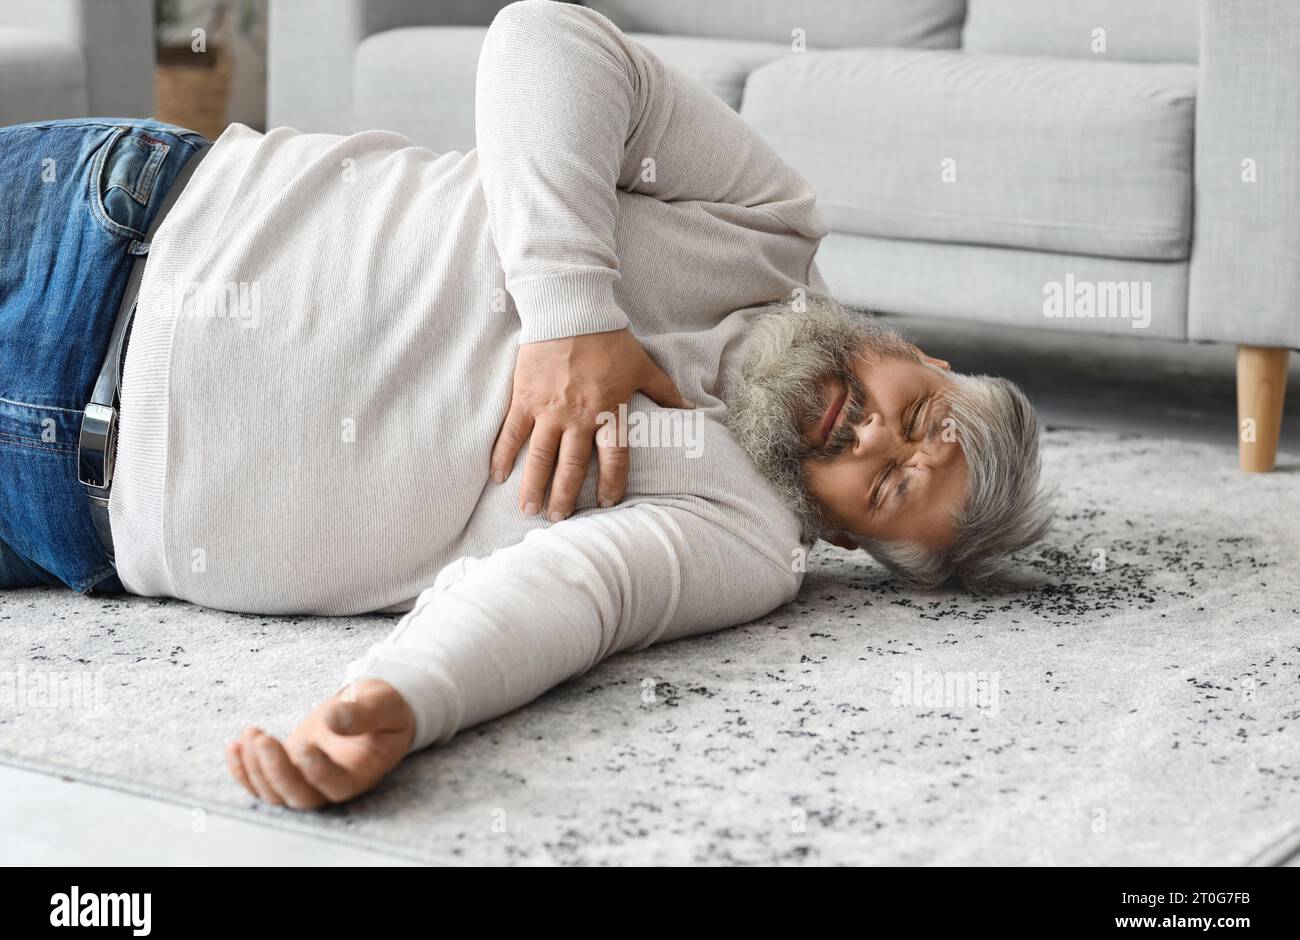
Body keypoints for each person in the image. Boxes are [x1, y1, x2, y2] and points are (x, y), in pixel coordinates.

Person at [0, 1, 1053, 809]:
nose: (864, 434)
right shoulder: (765, 222)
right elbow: (544, 41)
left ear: (840, 531)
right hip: (98, 230)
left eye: (881, 487)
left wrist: (406, 701)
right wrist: (567, 315)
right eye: (913, 416)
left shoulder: (743, 537)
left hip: (54, 511)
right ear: (916, 353)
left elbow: (572, 597)